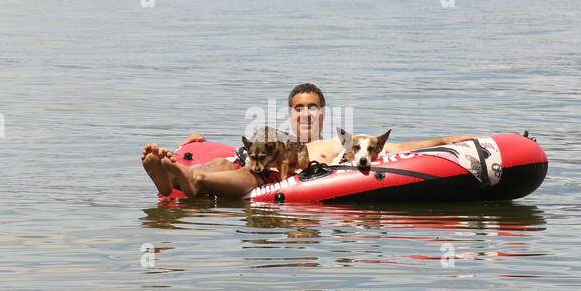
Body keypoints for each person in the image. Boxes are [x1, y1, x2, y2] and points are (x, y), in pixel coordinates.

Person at [141, 82, 469, 199]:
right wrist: (193, 145)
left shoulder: (341, 145)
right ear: (290, 114)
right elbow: (235, 152)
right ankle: (173, 177)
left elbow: (398, 149)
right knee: (225, 162)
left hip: (271, 176)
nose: (306, 114)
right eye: (299, 109)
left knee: (249, 174)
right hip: (251, 158)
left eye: (313, 108)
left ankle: (190, 179)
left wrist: (452, 139)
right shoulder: (273, 140)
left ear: (324, 113)